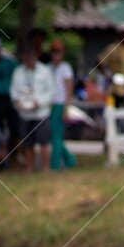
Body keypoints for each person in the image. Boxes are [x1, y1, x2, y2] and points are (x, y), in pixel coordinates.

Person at [10, 46, 54, 173]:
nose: (28, 60)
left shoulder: (45, 71)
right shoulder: (18, 72)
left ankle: (46, 168)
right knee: (27, 143)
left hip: (41, 113)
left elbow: (51, 92)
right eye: (26, 58)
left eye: (31, 57)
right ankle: (29, 167)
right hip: (25, 114)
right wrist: (17, 102)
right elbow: (14, 91)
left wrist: (39, 102)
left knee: (44, 142)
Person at [47, 39, 76, 171]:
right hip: (49, 105)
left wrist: (66, 108)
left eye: (58, 51)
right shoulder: (48, 68)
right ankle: (70, 160)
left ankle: (55, 165)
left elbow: (68, 89)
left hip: (60, 105)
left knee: (56, 136)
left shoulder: (66, 68)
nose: (56, 54)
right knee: (54, 135)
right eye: (53, 51)